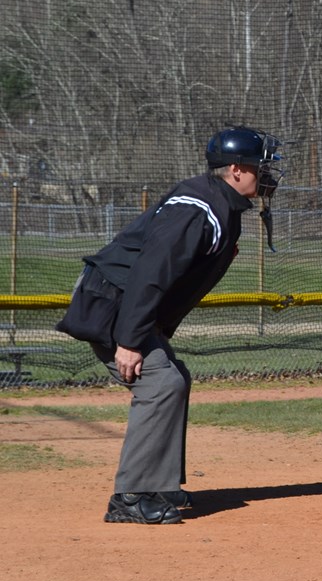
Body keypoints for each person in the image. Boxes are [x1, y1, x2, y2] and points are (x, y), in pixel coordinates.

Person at [56, 126, 283, 525]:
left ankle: (157, 484)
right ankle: (131, 497)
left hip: (125, 302)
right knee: (160, 382)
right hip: (112, 301)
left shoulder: (220, 204)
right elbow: (151, 271)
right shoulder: (197, 208)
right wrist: (129, 339)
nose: (267, 175)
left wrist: (154, 328)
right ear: (235, 169)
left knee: (172, 376)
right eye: (259, 166)